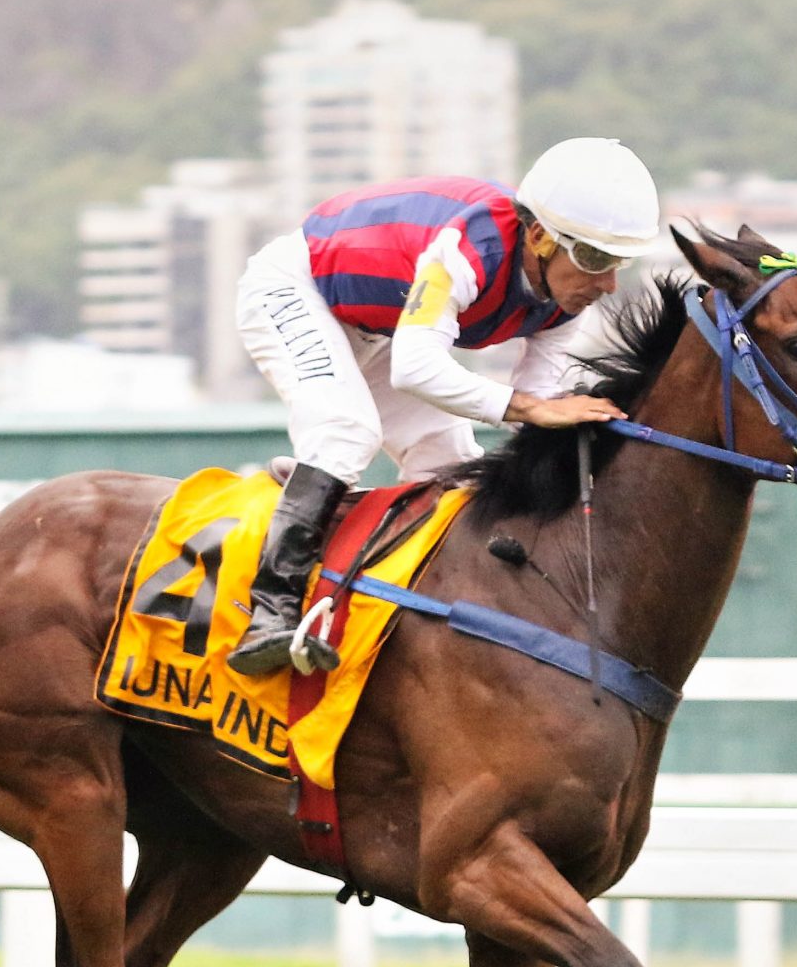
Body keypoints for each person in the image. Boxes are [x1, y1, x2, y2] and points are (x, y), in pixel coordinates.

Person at [227, 137, 664, 675]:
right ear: (538, 237)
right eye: (595, 259)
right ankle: (270, 611)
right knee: (346, 430)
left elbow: (542, 414)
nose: (607, 283)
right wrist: (529, 408)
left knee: (449, 460)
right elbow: (417, 367)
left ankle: (402, 617)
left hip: (377, 324)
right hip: (296, 289)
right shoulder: (467, 248)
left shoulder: (568, 307)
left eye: (618, 261)